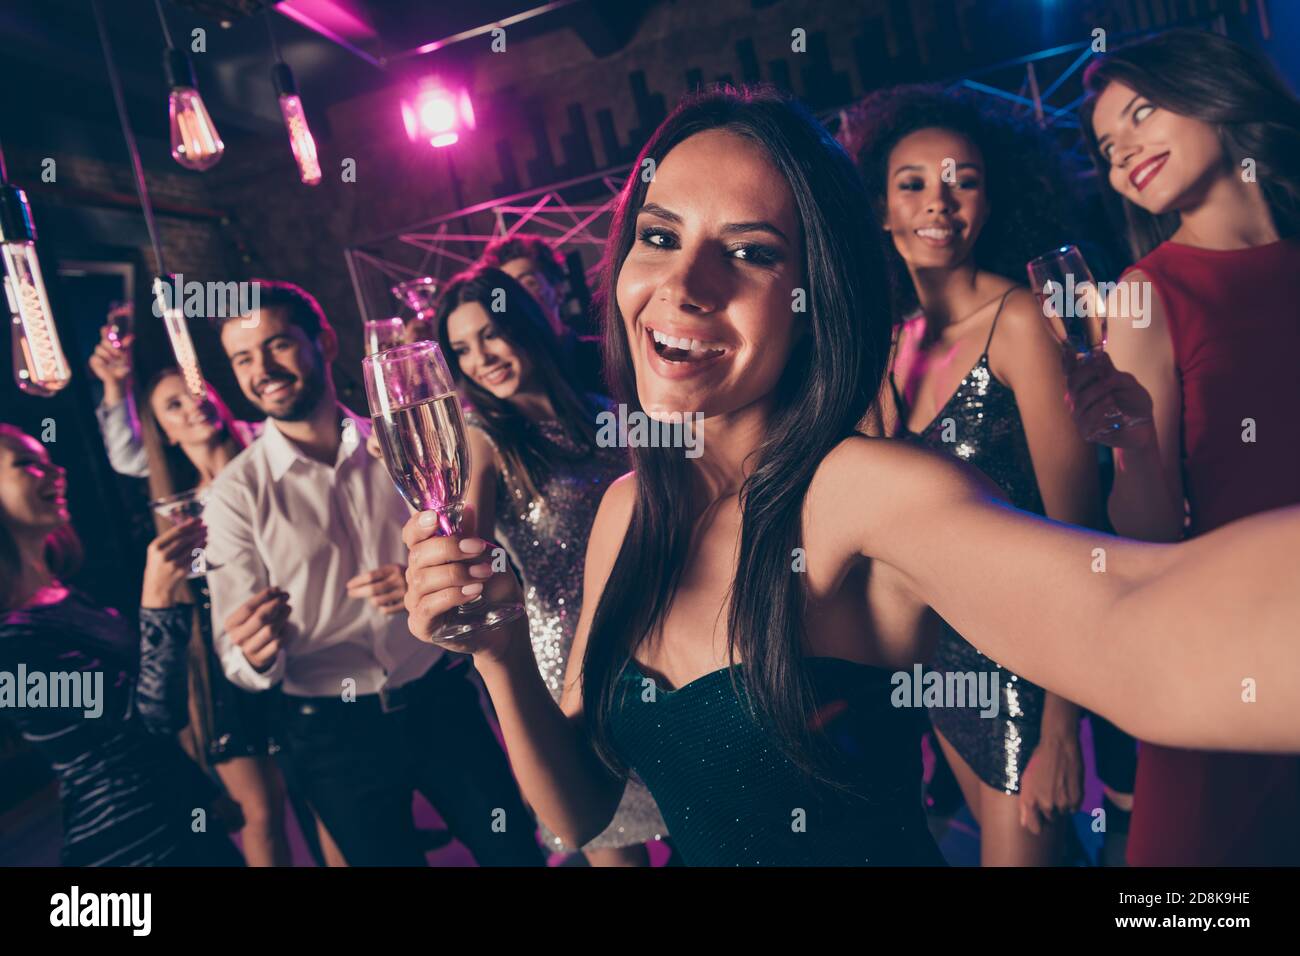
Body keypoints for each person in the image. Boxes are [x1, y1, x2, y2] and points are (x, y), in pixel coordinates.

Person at [399, 84, 1300, 867]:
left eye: (750, 252)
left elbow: (1138, 618)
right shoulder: (624, 514)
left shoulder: (859, 492)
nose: (685, 285)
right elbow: (587, 812)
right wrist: (500, 653)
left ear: (814, 298)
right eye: (660, 235)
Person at [204, 280, 544, 867]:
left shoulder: (401, 443)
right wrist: (256, 654)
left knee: (513, 849)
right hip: (330, 734)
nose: (263, 368)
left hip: (440, 699)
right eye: (243, 358)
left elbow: (473, 545)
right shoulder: (233, 494)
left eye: (279, 344)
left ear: (325, 342)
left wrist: (421, 578)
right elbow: (234, 650)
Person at [846, 85, 1099, 865]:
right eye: (912, 183)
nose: (940, 202)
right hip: (939, 668)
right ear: (881, 212)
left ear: (991, 201)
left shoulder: (1018, 320)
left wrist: (1063, 727)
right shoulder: (886, 346)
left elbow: (1078, 532)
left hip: (1027, 658)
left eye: (964, 180)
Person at [1070, 27, 1300, 866]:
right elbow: (1152, 545)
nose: (1122, 150)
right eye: (1105, 147)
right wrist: (1130, 447)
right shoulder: (1145, 295)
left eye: (1140, 113)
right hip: (1230, 649)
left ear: (1212, 90)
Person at [435, 266, 667, 866]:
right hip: (571, 664)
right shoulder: (482, 436)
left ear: (527, 324)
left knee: (705, 820)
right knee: (611, 835)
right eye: (461, 348)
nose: (480, 358)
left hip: (660, 637)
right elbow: (468, 542)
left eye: (490, 334)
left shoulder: (604, 410)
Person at [0, 424, 241, 866]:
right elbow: (151, 717)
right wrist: (158, 600)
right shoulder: (11, 649)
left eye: (48, 459)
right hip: (130, 845)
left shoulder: (60, 598)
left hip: (175, 820)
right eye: (27, 464)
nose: (56, 472)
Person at [134, 367, 292, 866]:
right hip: (219, 666)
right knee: (260, 813)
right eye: (173, 405)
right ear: (164, 432)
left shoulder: (270, 458)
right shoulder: (179, 510)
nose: (192, 405)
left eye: (196, 391)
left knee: (322, 798)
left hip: (299, 639)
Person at [480, 235, 605, 394]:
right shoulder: (508, 381)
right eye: (504, 292)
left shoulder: (606, 358)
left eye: (527, 284)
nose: (516, 297)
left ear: (558, 290)